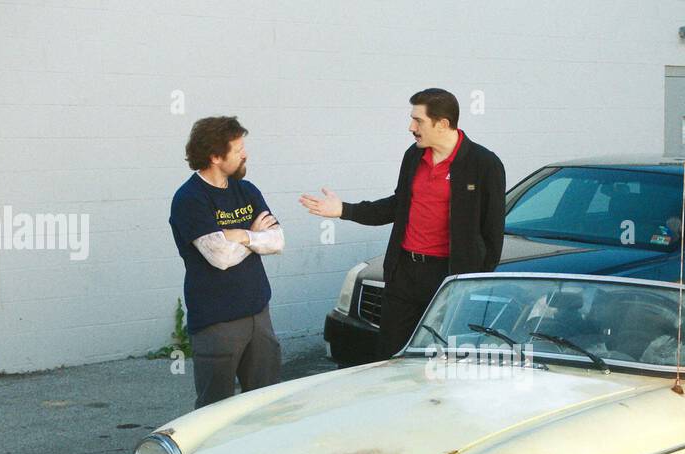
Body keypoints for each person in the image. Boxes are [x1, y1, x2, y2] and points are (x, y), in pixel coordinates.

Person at [299, 88, 505, 359]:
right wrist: (344, 210)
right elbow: (398, 205)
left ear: (442, 124)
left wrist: (471, 281)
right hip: (404, 274)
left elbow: (492, 234)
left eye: (418, 120)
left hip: (448, 277)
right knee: (391, 355)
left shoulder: (484, 164)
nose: (411, 127)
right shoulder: (414, 156)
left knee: (440, 358)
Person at [169, 116, 285, 408]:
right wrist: (255, 235)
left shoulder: (246, 190)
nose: (245, 154)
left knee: (266, 403)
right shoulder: (189, 198)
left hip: (259, 314)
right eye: (238, 149)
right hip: (216, 322)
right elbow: (220, 257)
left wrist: (241, 236)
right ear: (216, 157)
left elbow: (278, 240)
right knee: (215, 409)